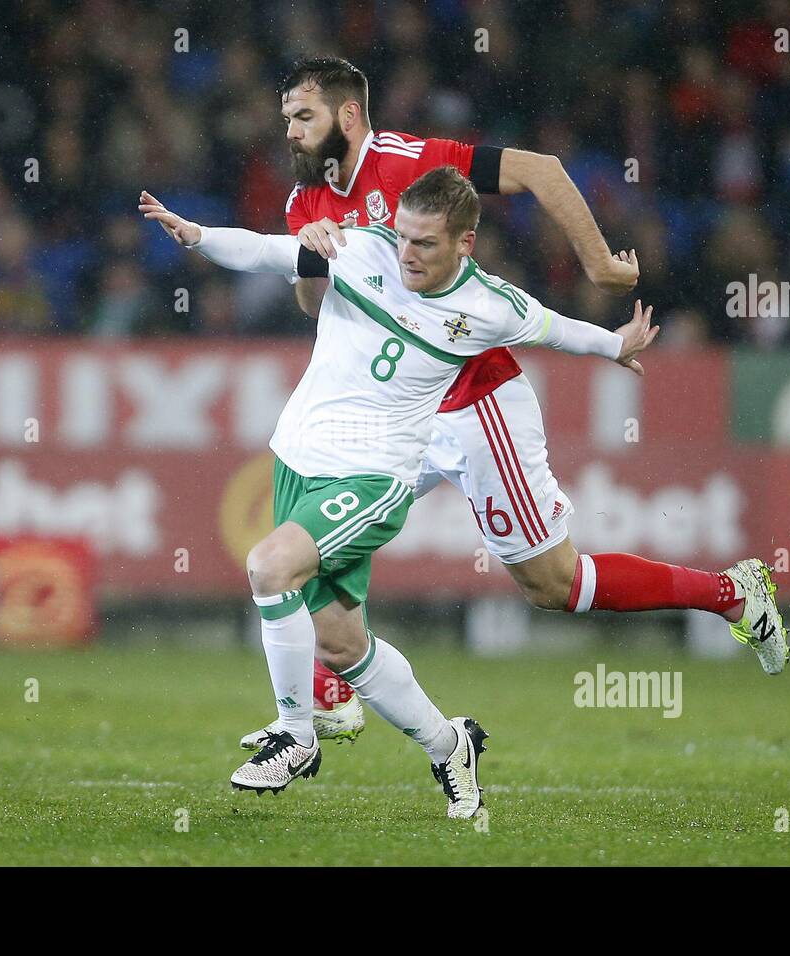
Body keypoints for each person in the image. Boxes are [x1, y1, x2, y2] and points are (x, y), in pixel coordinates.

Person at [140, 167, 679, 816]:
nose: (407, 254)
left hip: (373, 478)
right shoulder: (363, 248)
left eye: (425, 243)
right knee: (339, 645)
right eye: (403, 238)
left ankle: (295, 734)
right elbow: (265, 250)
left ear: (465, 242)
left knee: (268, 566)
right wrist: (197, 234)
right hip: (300, 462)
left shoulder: (489, 306)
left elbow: (555, 328)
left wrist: (614, 344)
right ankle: (449, 743)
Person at [263, 57, 641, 742]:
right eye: (286, 117)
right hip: (397, 413)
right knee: (323, 527)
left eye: (303, 116)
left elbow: (540, 170)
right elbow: (316, 305)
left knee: (551, 586)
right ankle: (332, 689)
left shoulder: (408, 164)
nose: (289, 131)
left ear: (348, 117)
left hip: (473, 401)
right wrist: (311, 262)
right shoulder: (303, 201)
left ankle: (732, 594)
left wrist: (598, 263)